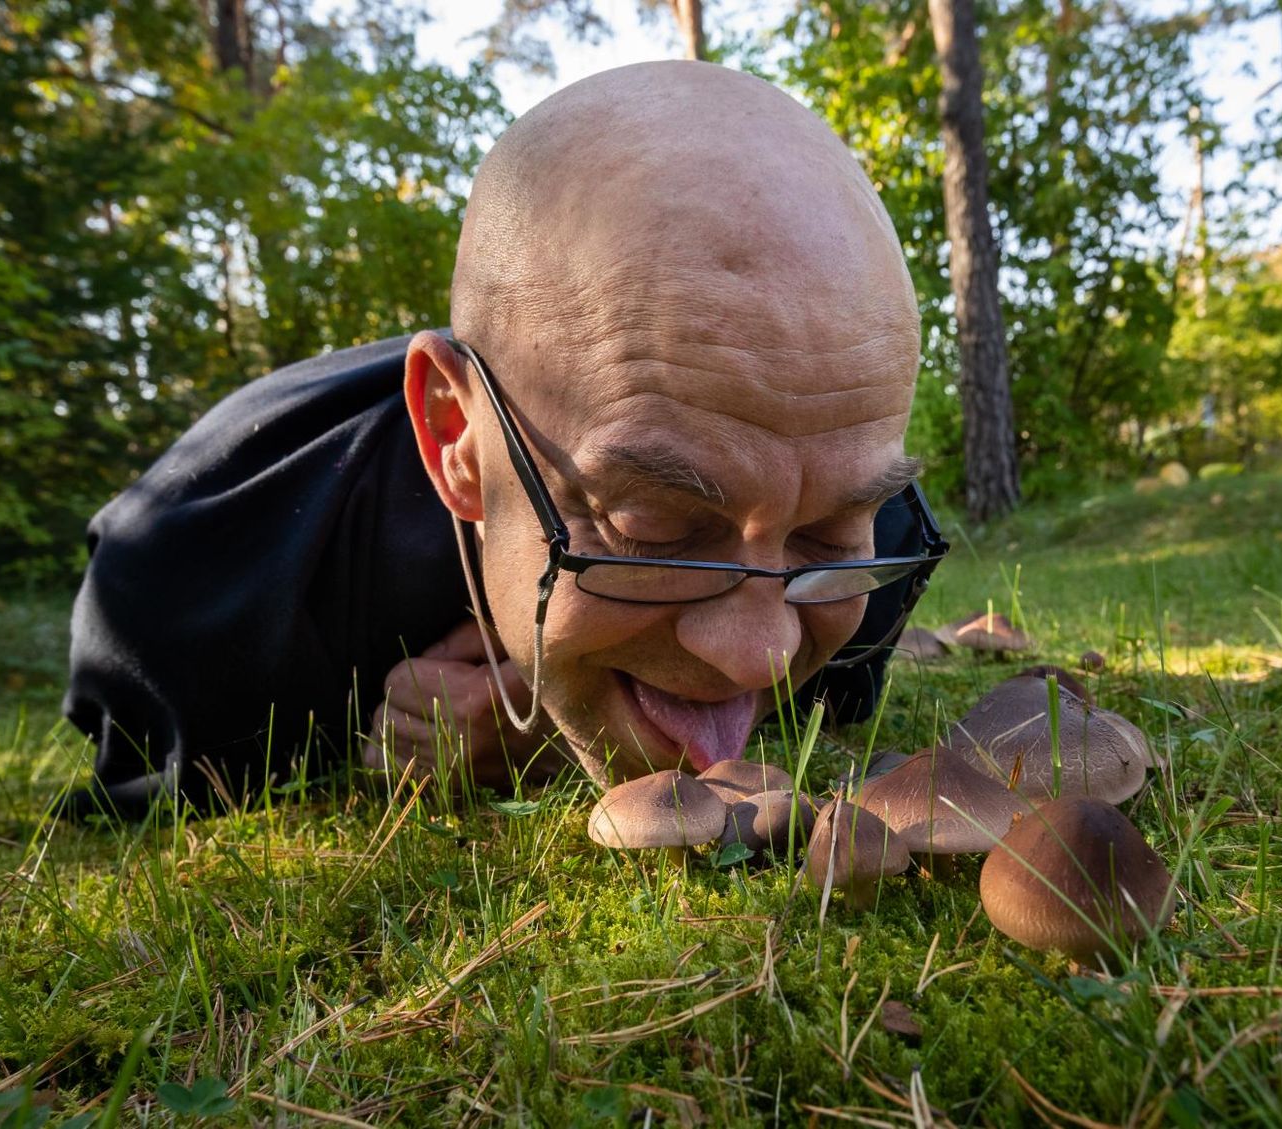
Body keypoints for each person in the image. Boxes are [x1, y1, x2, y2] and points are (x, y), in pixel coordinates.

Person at [59, 61, 948, 820]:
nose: (762, 651)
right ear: (453, 436)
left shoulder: (880, 538)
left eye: (825, 536)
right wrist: (350, 748)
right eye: (651, 524)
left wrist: (565, 734)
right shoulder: (196, 579)